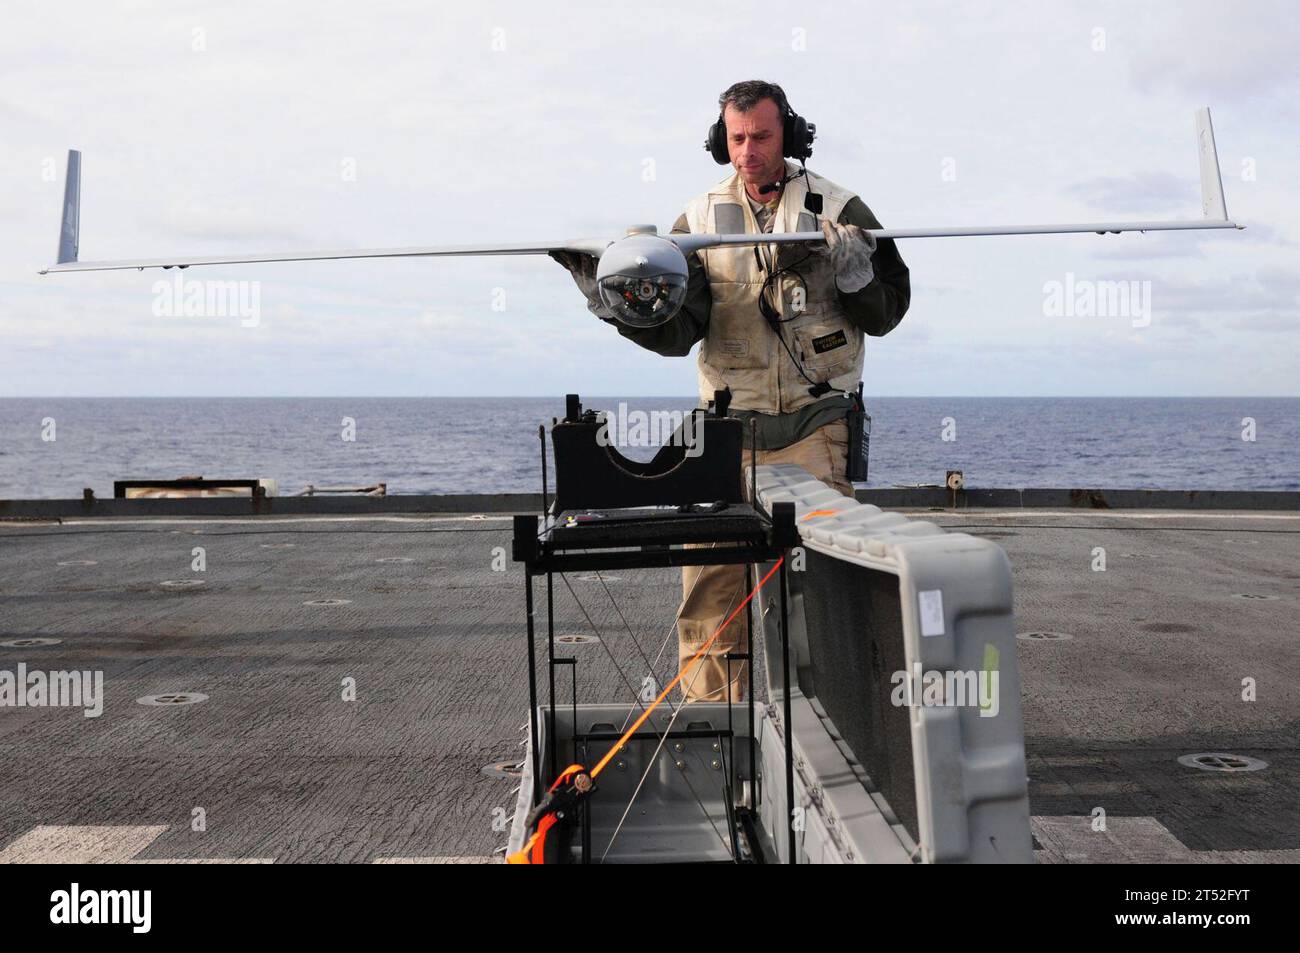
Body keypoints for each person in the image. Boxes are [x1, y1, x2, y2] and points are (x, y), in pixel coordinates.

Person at [552, 80, 910, 702]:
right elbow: (678, 332)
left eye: (762, 136)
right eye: (737, 138)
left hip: (815, 426)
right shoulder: (694, 222)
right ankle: (714, 728)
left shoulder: (843, 209)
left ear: (790, 135)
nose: (748, 151)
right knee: (711, 594)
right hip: (726, 434)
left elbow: (887, 310)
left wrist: (859, 278)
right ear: (722, 139)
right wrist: (617, 306)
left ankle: (827, 732)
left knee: (817, 587)